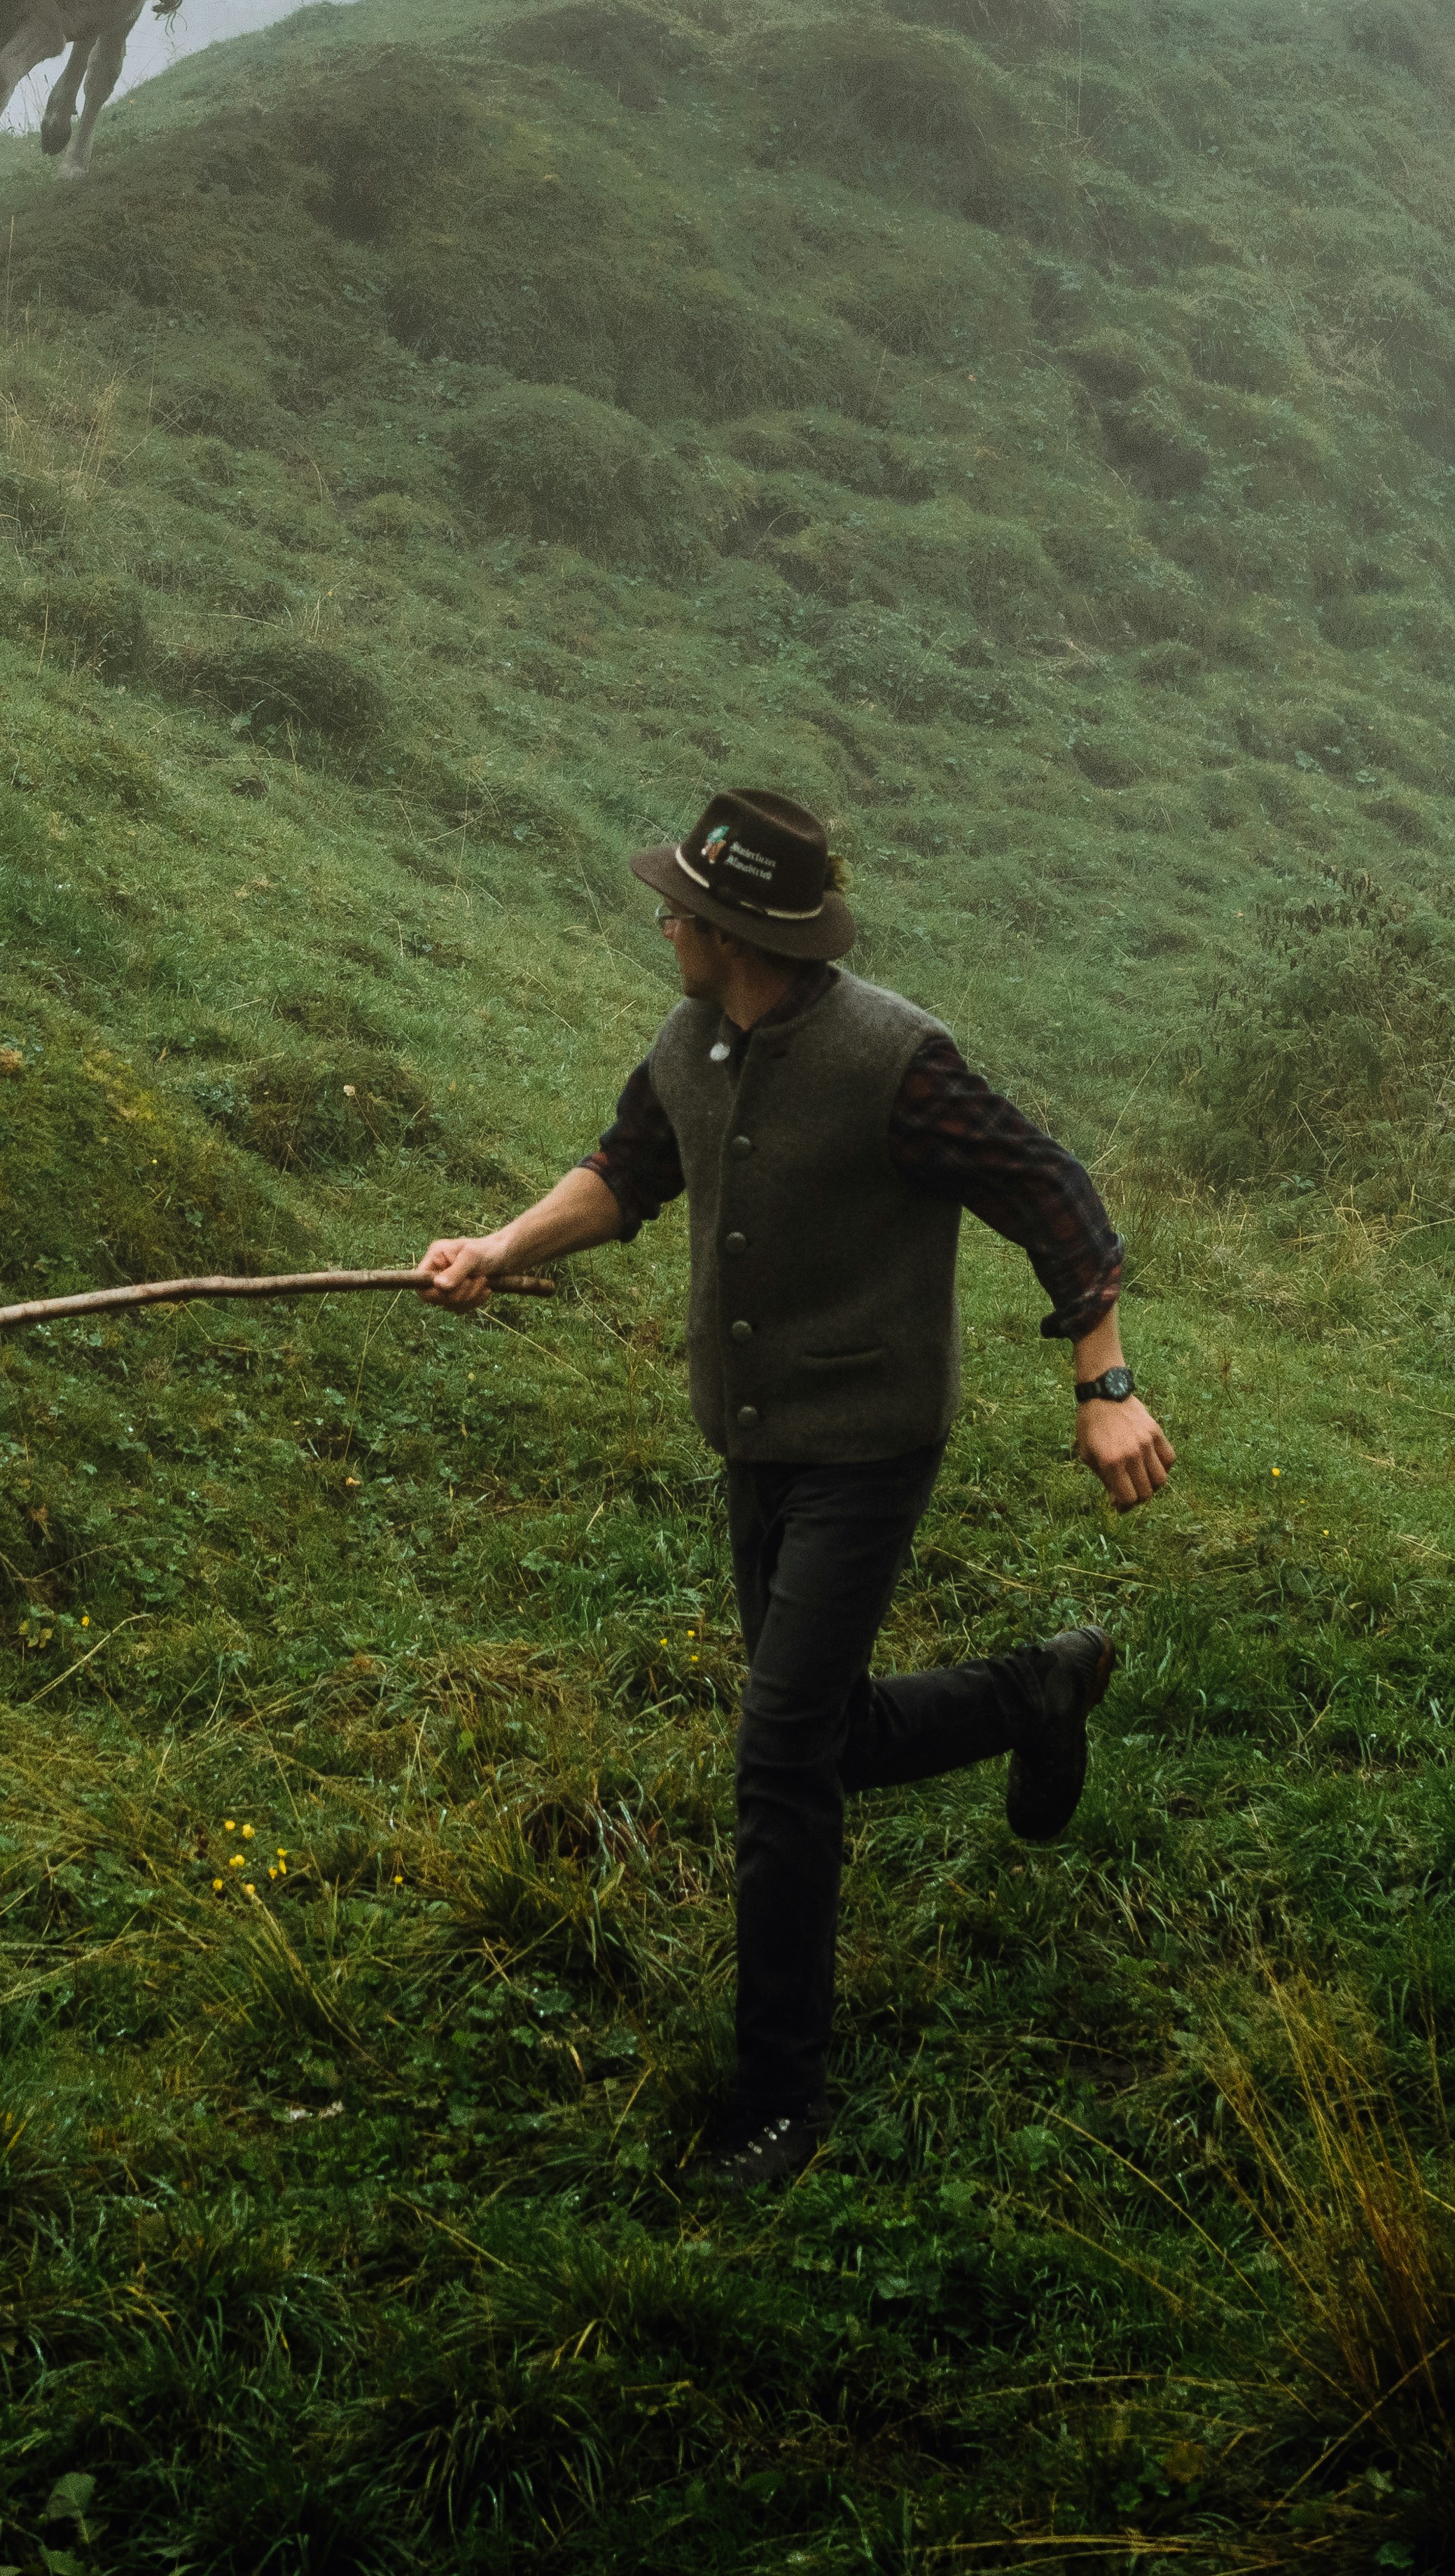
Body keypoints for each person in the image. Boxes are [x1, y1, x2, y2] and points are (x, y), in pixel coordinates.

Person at [417, 788, 1171, 2193]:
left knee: (776, 1758)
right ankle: (1030, 1692)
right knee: (814, 1733)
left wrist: (1104, 1382)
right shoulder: (691, 1043)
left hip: (867, 1442)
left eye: (679, 906)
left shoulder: (895, 1059)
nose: (661, 920)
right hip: (753, 1435)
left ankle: (778, 2100)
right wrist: (499, 1246)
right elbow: (623, 1172)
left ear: (732, 928)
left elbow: (1050, 1191)